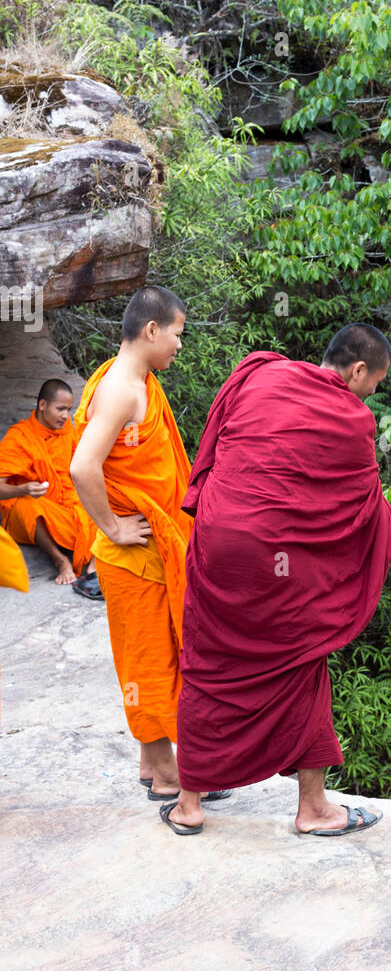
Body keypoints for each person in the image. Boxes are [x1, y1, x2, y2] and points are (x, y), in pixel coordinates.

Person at [166, 323, 391, 836]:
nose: (373, 394)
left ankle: (189, 805)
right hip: (272, 560)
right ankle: (312, 809)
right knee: (303, 660)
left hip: (216, 538)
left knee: (206, 662)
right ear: (358, 370)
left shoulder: (259, 372)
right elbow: (373, 513)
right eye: (375, 382)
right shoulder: (350, 418)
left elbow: (218, 441)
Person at [70, 286, 230, 808]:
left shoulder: (136, 380)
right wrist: (113, 527)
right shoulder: (122, 389)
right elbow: (81, 467)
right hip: (133, 557)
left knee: (157, 657)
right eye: (178, 335)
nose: (180, 346)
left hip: (151, 551)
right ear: (152, 330)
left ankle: (149, 760)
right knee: (150, 662)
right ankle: (168, 776)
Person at [0, 380, 97, 592]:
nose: (65, 416)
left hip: (69, 506)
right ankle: (60, 561)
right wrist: (22, 489)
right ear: (42, 405)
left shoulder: (68, 434)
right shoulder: (19, 437)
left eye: (69, 410)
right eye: (60, 409)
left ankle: (92, 568)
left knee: (100, 503)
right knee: (28, 507)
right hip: (34, 508)